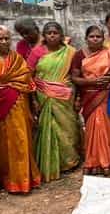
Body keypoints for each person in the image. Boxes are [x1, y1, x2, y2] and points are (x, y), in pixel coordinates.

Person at [0, 26, 41, 194]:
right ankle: (12, 181)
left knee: (24, 141)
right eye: (0, 39)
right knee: (7, 146)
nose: (4, 41)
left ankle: (27, 179)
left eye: (7, 38)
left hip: (21, 105)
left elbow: (27, 82)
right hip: (1, 108)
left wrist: (33, 102)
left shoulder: (17, 58)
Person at [27, 21, 82, 183]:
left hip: (66, 96)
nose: (52, 35)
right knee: (48, 128)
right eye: (49, 33)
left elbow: (75, 75)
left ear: (61, 35)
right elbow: (28, 76)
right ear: (44, 36)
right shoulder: (36, 52)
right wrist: (33, 99)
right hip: (44, 96)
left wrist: (77, 97)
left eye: (55, 33)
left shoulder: (71, 52)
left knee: (69, 128)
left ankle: (70, 161)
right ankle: (52, 162)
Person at [70, 25, 110, 176]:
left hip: (107, 95)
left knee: (108, 128)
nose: (95, 39)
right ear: (86, 38)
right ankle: (92, 161)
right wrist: (93, 82)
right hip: (90, 97)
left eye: (98, 36)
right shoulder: (79, 55)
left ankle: (109, 159)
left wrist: (109, 79)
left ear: (103, 39)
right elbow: (74, 78)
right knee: (94, 127)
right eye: (92, 36)